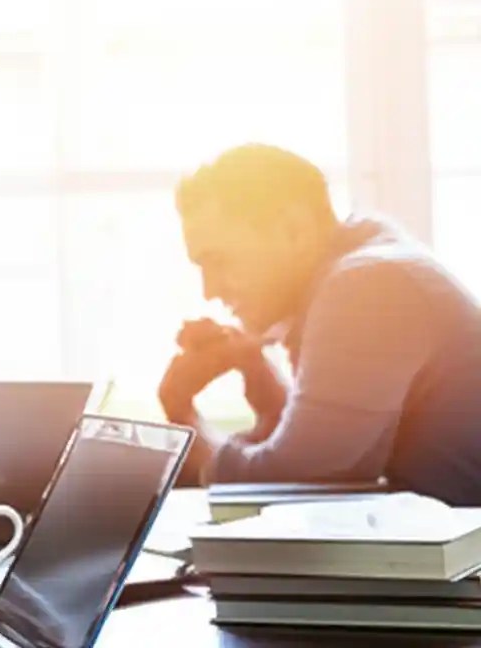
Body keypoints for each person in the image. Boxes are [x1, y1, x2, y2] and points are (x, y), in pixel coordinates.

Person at [158, 143, 481, 506]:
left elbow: (300, 478)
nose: (209, 290)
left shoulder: (367, 285)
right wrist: (259, 376)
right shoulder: (360, 265)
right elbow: (332, 456)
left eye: (220, 262)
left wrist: (185, 422)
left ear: (295, 230)